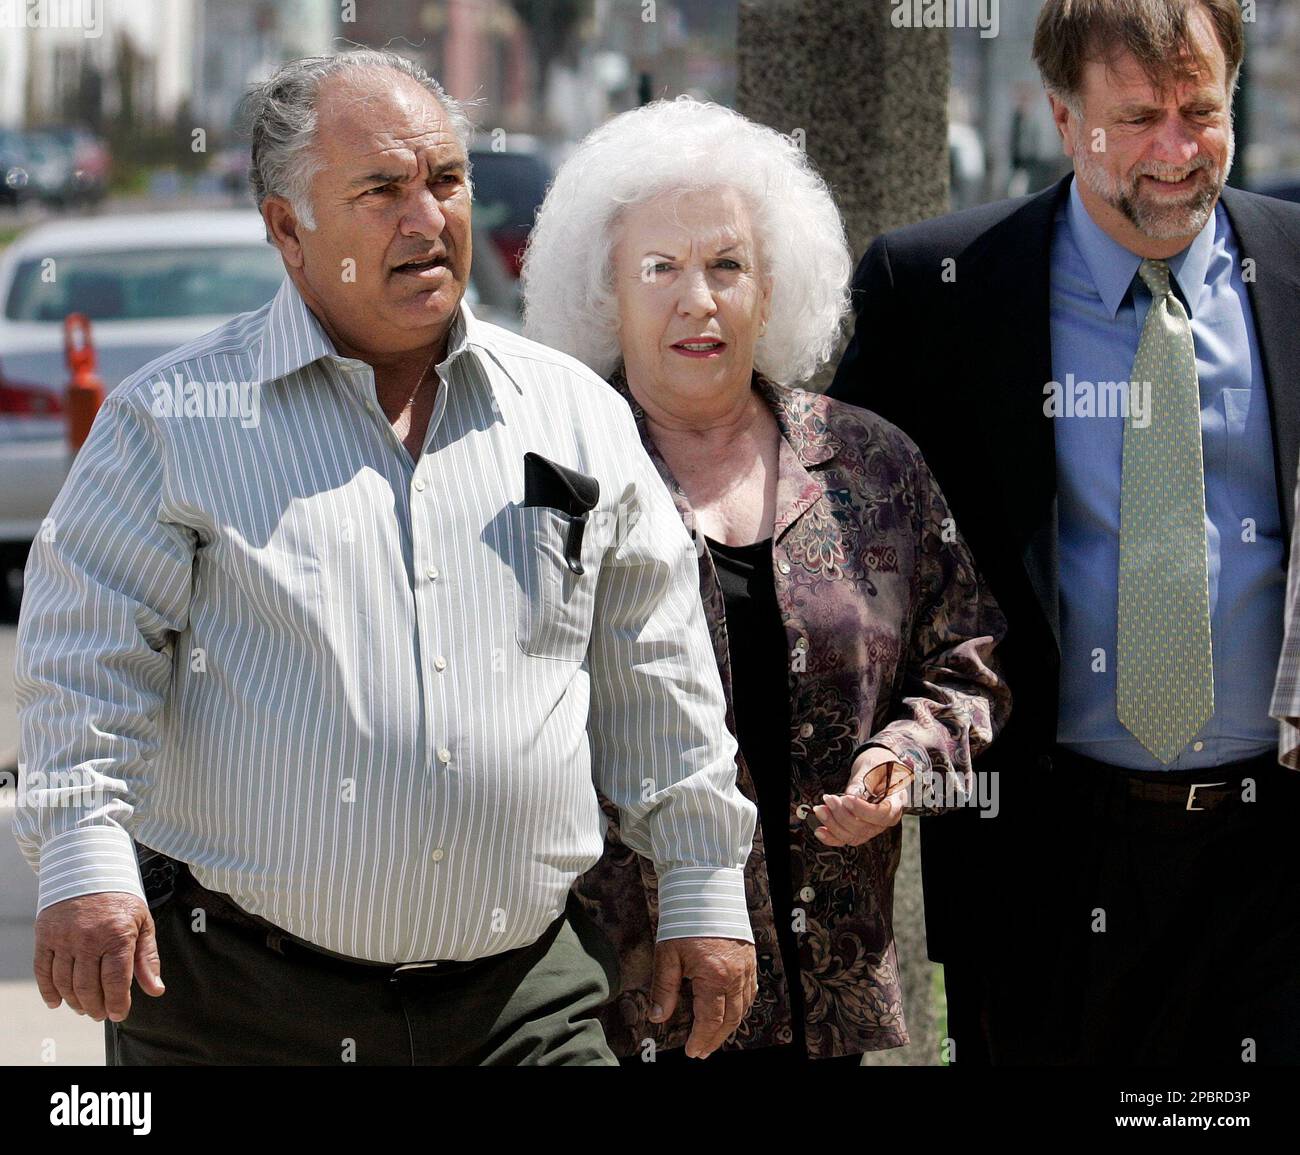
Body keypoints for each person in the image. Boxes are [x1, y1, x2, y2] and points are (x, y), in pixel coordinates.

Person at [13, 50, 760, 1067]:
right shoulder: (174, 422)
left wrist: (705, 889)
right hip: (237, 1007)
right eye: (380, 191)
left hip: (521, 1003)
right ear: (287, 229)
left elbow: (657, 671)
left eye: (445, 181)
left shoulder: (573, 414)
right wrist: (86, 860)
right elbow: (84, 656)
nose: (427, 219)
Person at [830, 0, 1300, 1065]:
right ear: (1059, 115)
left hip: (1276, 849)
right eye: (1136, 118)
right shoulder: (937, 292)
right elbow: (843, 547)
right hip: (1047, 854)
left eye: (1201, 111)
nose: (1177, 151)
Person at [521, 97, 1009, 1065]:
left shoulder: (869, 463)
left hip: (828, 1002)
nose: (697, 300)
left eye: (727, 266)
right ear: (604, 291)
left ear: (770, 287)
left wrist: (903, 760)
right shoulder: (554, 479)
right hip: (627, 1009)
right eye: (659, 269)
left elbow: (970, 656)